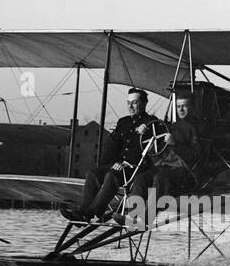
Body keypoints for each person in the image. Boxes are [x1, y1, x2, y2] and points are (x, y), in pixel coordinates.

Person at [62, 87, 167, 221]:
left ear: (144, 103)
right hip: (118, 165)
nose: (130, 106)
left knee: (112, 175)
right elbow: (113, 148)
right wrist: (111, 163)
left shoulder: (152, 123)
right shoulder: (123, 122)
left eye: (134, 102)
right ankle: (82, 211)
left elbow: (157, 149)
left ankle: (90, 213)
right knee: (93, 173)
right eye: (128, 103)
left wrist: (148, 132)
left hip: (137, 168)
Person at [151, 88, 204, 198]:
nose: (181, 110)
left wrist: (175, 144)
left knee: (160, 178)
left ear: (192, 107)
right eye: (178, 106)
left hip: (186, 171)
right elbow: (162, 150)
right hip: (166, 166)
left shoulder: (198, 128)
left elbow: (196, 155)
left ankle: (147, 215)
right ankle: (133, 213)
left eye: (184, 106)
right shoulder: (173, 126)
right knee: (142, 177)